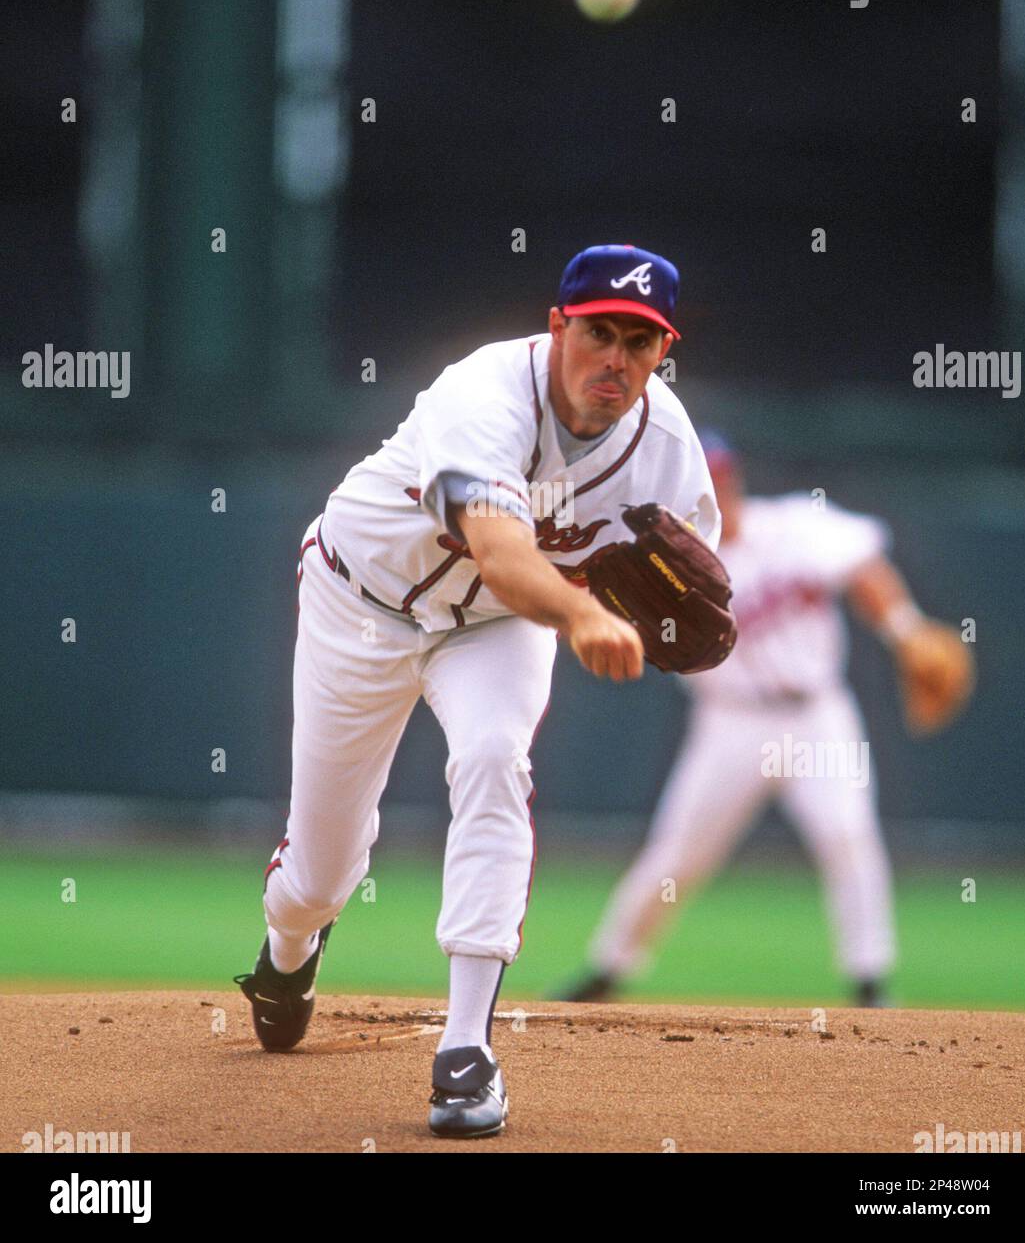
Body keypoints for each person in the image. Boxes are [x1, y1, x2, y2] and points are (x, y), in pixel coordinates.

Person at [235, 244, 721, 1137]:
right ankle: (288, 949)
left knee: (497, 760)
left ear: (664, 353)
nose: (616, 359)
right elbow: (499, 549)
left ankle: (465, 1050)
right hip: (360, 602)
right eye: (600, 333)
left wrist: (677, 622)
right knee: (323, 871)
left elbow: (698, 586)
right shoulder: (482, 392)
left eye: (641, 344)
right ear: (558, 327)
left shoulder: (670, 451)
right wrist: (581, 616)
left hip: (498, 628)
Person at [558, 433, 974, 1009]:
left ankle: (871, 983)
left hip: (816, 717)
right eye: (704, 484)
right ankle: (608, 969)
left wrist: (904, 628)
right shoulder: (658, 563)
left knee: (848, 836)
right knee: (677, 855)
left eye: (723, 480)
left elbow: (864, 566)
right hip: (729, 724)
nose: (717, 492)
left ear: (734, 481)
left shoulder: (794, 525)